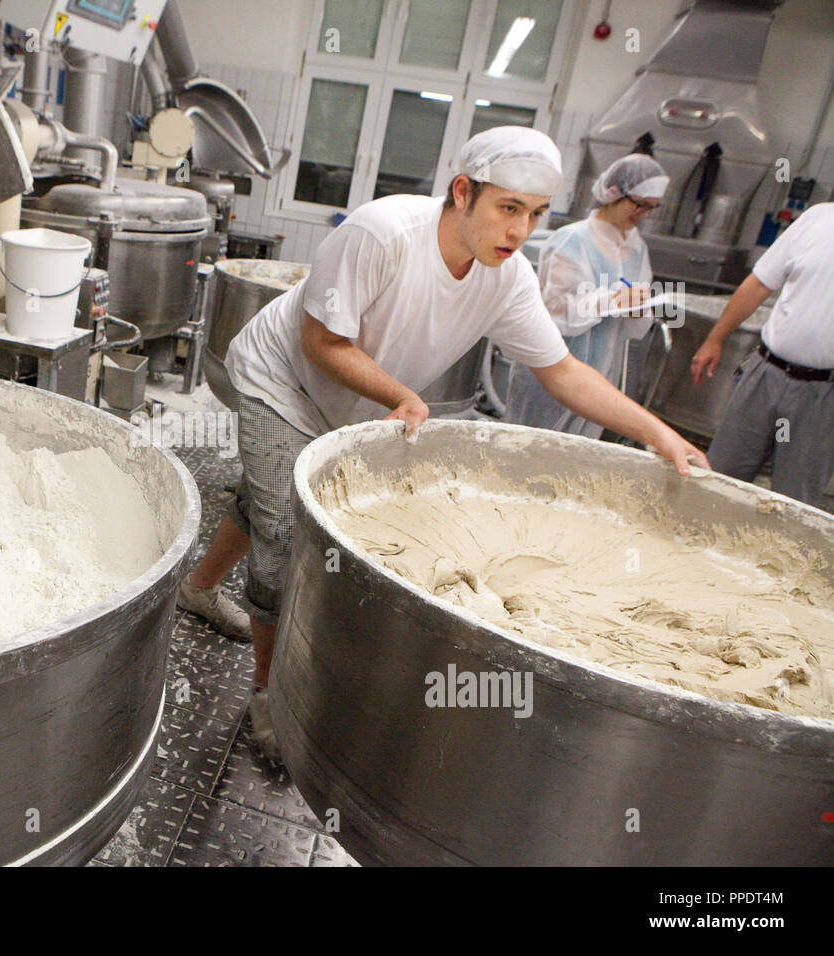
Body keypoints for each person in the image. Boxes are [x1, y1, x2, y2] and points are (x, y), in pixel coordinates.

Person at [202, 126, 706, 761]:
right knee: (283, 535)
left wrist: (657, 432)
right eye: (508, 209)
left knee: (264, 498)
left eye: (536, 214)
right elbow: (320, 343)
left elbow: (562, 371)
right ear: (463, 192)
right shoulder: (380, 233)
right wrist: (401, 396)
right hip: (281, 380)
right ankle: (268, 694)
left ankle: (198, 587)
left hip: (350, 401)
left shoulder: (506, 276)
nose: (520, 231)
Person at [506, 154, 669, 436]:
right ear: (613, 192)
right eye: (639, 204)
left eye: (651, 208)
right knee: (529, 450)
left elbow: (635, 326)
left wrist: (639, 309)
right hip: (550, 375)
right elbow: (552, 312)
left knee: (577, 462)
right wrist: (609, 301)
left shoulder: (637, 248)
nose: (643, 214)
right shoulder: (572, 240)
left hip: (600, 374)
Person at [690, 202, 834, 508]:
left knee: (795, 502)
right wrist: (714, 339)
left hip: (824, 395)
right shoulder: (817, 218)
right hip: (765, 372)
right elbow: (759, 285)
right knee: (718, 479)